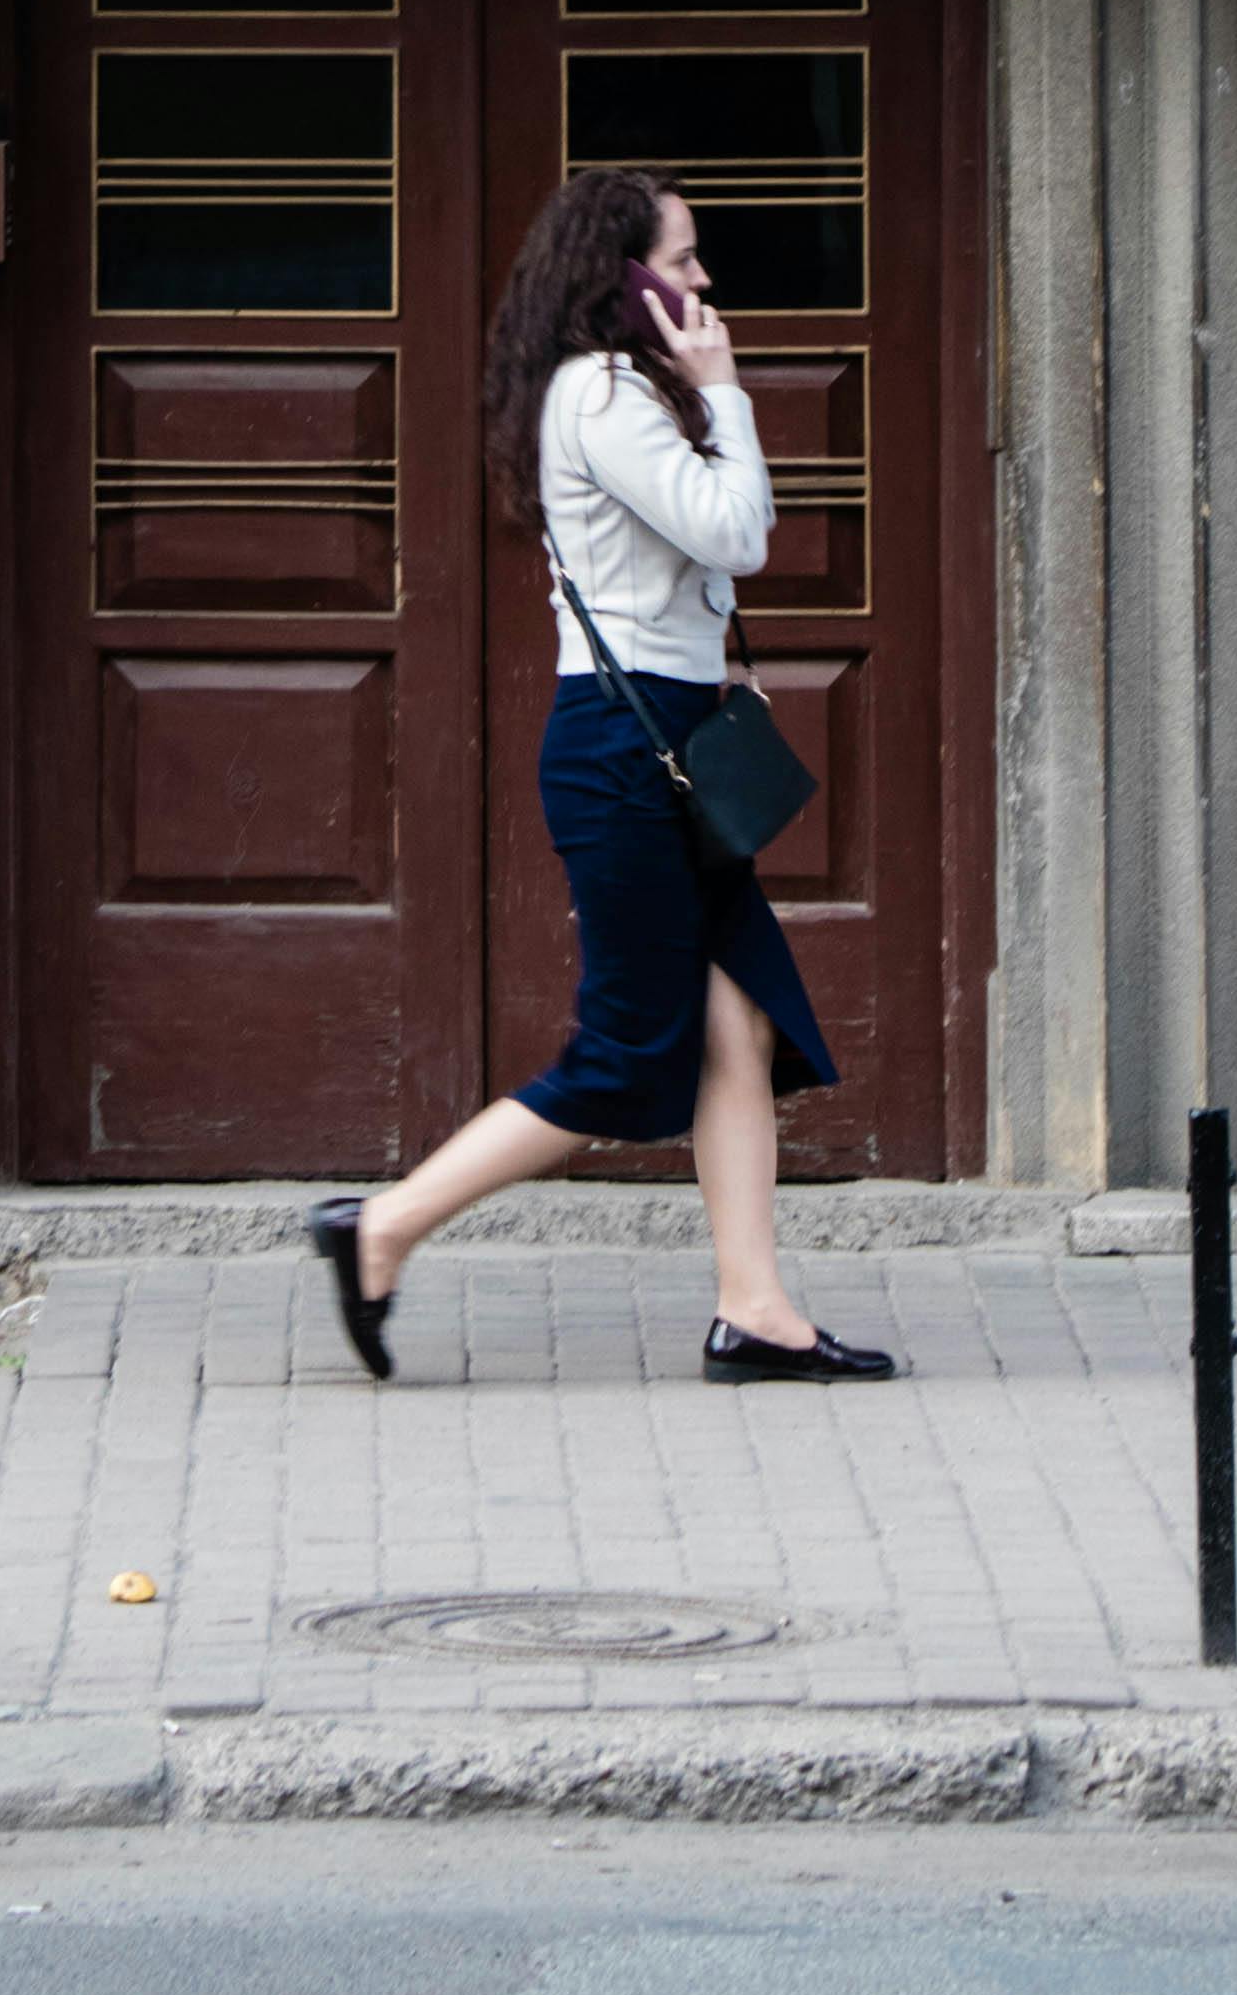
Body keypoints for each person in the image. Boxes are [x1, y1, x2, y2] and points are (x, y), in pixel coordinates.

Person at [306, 161, 899, 1388]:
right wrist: (726, 393)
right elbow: (736, 532)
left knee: (739, 1020)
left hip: (661, 741)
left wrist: (706, 399)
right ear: (623, 275)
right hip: (627, 755)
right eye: (682, 260)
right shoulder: (604, 395)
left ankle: (756, 1310)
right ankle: (382, 1227)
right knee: (630, 1054)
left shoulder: (628, 391)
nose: (704, 280)